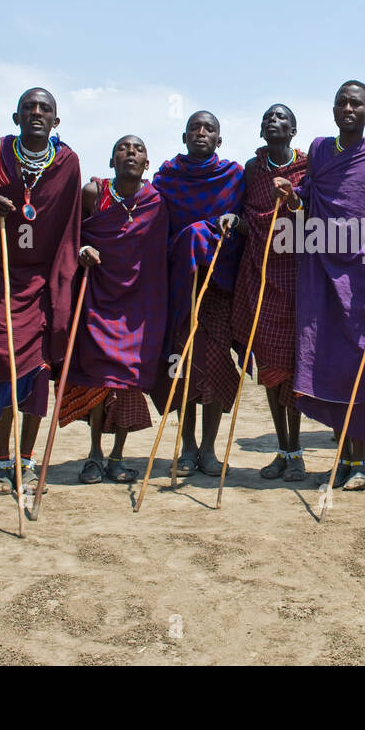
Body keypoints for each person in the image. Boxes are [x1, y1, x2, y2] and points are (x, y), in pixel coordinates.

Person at [276, 81, 365, 491]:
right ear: (333, 110)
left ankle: (361, 459)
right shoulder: (318, 150)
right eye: (341, 102)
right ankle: (346, 459)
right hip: (321, 270)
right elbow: (308, 202)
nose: (348, 108)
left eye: (356, 103)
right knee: (325, 359)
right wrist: (291, 199)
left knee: (360, 364)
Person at [0, 88, 82, 497]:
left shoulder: (67, 162)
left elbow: (71, 223)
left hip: (44, 282)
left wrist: (70, 268)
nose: (36, 113)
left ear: (56, 122)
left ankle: (26, 463)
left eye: (45, 109)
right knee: (1, 369)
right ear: (16, 117)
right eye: (29, 107)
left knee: (38, 372)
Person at [58, 135, 168, 484]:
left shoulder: (155, 201)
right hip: (97, 297)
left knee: (126, 380)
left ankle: (118, 455)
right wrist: (82, 250)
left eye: (138, 149)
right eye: (123, 148)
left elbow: (160, 251)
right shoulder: (94, 193)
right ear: (111, 161)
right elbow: (67, 235)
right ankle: (94, 454)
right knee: (98, 377)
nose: (130, 153)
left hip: (138, 305)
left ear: (147, 164)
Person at [151, 111, 244, 477]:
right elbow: (152, 223)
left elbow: (246, 220)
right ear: (184, 136)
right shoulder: (167, 178)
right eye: (195, 128)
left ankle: (209, 449)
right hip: (181, 288)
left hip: (218, 288)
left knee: (216, 368)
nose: (201, 132)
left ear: (219, 140)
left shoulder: (234, 177)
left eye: (209, 129)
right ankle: (186, 446)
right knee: (184, 369)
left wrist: (230, 225)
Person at [226, 105, 309, 480]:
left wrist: (293, 199)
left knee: (293, 370)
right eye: (265, 119)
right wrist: (235, 221)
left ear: (292, 129)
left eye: (279, 118)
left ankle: (298, 452)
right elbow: (252, 218)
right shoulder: (252, 168)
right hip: (259, 276)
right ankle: (283, 449)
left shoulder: (308, 166)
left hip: (296, 278)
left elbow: (315, 216)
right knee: (271, 370)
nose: (271, 122)